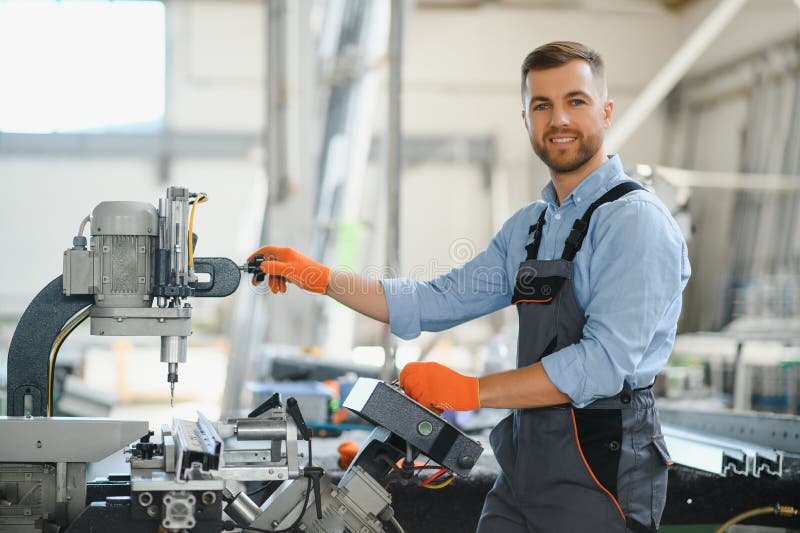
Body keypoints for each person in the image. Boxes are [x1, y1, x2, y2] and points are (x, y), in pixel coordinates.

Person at [248, 41, 690, 533]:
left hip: (603, 465)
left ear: (606, 112)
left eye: (576, 101)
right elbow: (437, 300)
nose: (558, 119)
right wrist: (321, 277)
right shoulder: (531, 226)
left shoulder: (635, 223)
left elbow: (602, 364)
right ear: (525, 119)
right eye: (541, 105)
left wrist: (468, 389)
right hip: (526, 462)